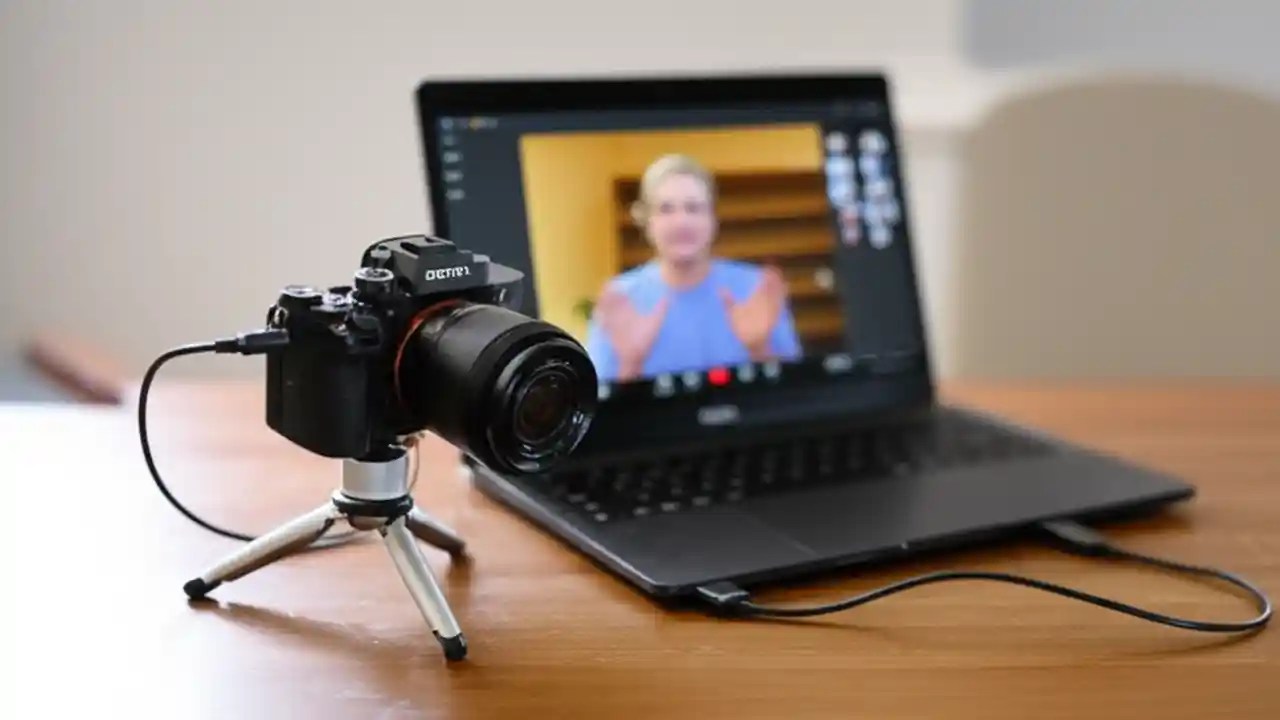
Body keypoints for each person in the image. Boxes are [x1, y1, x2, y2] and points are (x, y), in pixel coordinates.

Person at [586, 154, 801, 382]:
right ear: (647, 222)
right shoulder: (620, 298)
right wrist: (631, 363)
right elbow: (596, 399)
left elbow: (797, 391)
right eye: (666, 209)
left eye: (694, 208)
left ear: (713, 219)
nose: (681, 222)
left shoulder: (756, 288)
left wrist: (759, 349)